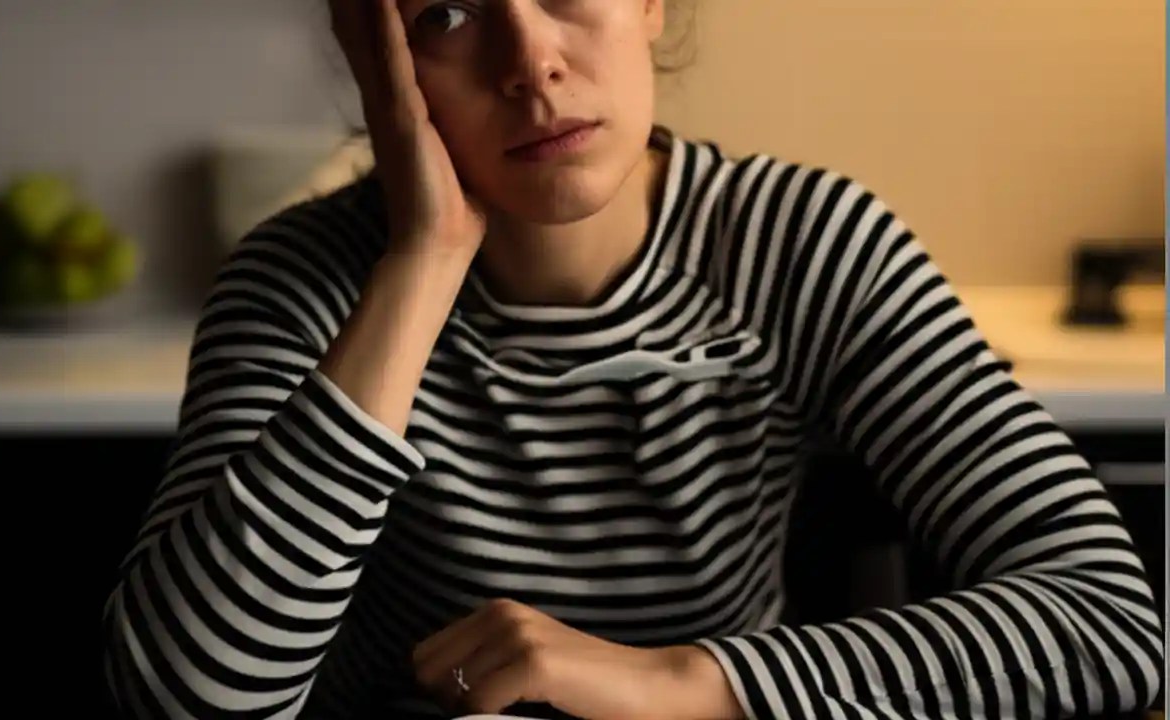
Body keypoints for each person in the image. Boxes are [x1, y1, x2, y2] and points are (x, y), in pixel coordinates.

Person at [101, 1, 1165, 718]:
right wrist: (421, 263)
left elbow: (1109, 620)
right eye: (446, 15)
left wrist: (677, 684)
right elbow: (185, 701)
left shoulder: (801, 242)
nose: (530, 62)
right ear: (382, 63)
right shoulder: (300, 277)